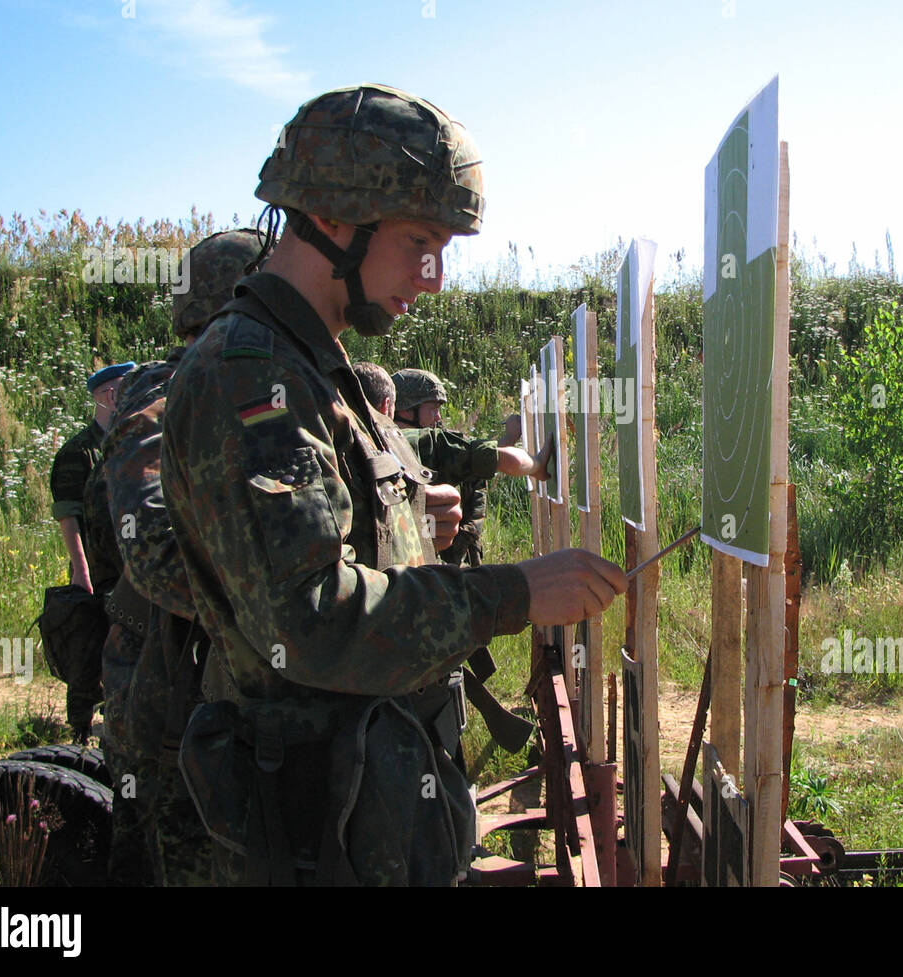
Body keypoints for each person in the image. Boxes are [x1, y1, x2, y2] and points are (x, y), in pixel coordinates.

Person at [159, 83, 626, 886]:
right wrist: (512, 594)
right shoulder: (253, 375)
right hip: (317, 827)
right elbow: (308, 619)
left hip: (369, 805)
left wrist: (408, 520)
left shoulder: (313, 364)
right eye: (419, 240)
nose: (435, 275)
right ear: (335, 218)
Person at [98, 229, 266, 885]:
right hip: (170, 710)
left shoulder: (239, 388)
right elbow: (161, 561)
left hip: (206, 707)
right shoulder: (164, 401)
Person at [357, 363, 546, 567]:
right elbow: (482, 456)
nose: (438, 417)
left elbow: (473, 458)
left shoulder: (429, 447)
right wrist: (536, 464)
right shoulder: (416, 445)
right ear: (406, 410)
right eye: (432, 409)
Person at [48, 360, 134, 742]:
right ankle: (80, 729)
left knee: (127, 645)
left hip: (131, 566)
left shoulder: (134, 439)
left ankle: (123, 722)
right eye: (115, 391)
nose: (121, 397)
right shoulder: (78, 453)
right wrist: (81, 573)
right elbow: (69, 516)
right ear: (104, 396)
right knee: (88, 648)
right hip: (96, 568)